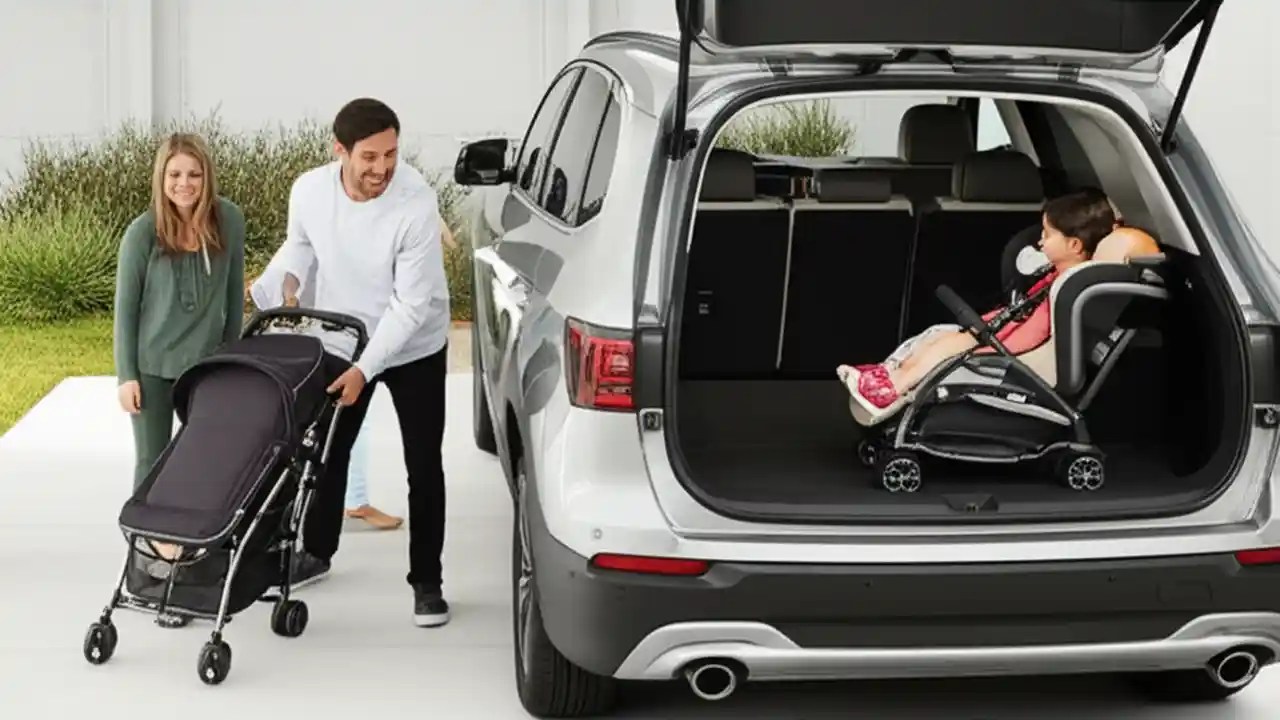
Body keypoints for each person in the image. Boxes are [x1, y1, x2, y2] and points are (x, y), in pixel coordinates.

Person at [251, 98, 452, 628]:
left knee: (423, 464)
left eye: (390, 154)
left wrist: (366, 370)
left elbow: (409, 306)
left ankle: (427, 582)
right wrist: (285, 284)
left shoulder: (415, 203)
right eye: (369, 157)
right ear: (338, 150)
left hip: (414, 344)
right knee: (328, 452)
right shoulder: (309, 190)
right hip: (345, 335)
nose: (382, 168)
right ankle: (317, 551)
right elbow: (300, 247)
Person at [113, 132, 247, 627]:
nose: (184, 183)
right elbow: (125, 312)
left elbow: (234, 299)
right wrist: (126, 375)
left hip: (207, 370)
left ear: (206, 176)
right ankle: (149, 568)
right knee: (153, 466)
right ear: (161, 179)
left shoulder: (229, 220)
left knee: (201, 468)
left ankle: (191, 561)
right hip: (151, 369)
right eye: (174, 175)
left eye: (193, 173)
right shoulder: (142, 233)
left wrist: (233, 360)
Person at [839, 189, 1117, 414]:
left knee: (945, 347)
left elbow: (1030, 334)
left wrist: (985, 344)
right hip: (1001, 338)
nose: (1040, 242)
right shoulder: (1055, 276)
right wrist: (982, 328)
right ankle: (888, 375)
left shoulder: (1065, 287)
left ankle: (893, 389)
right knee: (937, 335)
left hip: (1014, 359)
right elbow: (1016, 312)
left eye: (1047, 235)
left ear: (1075, 245)